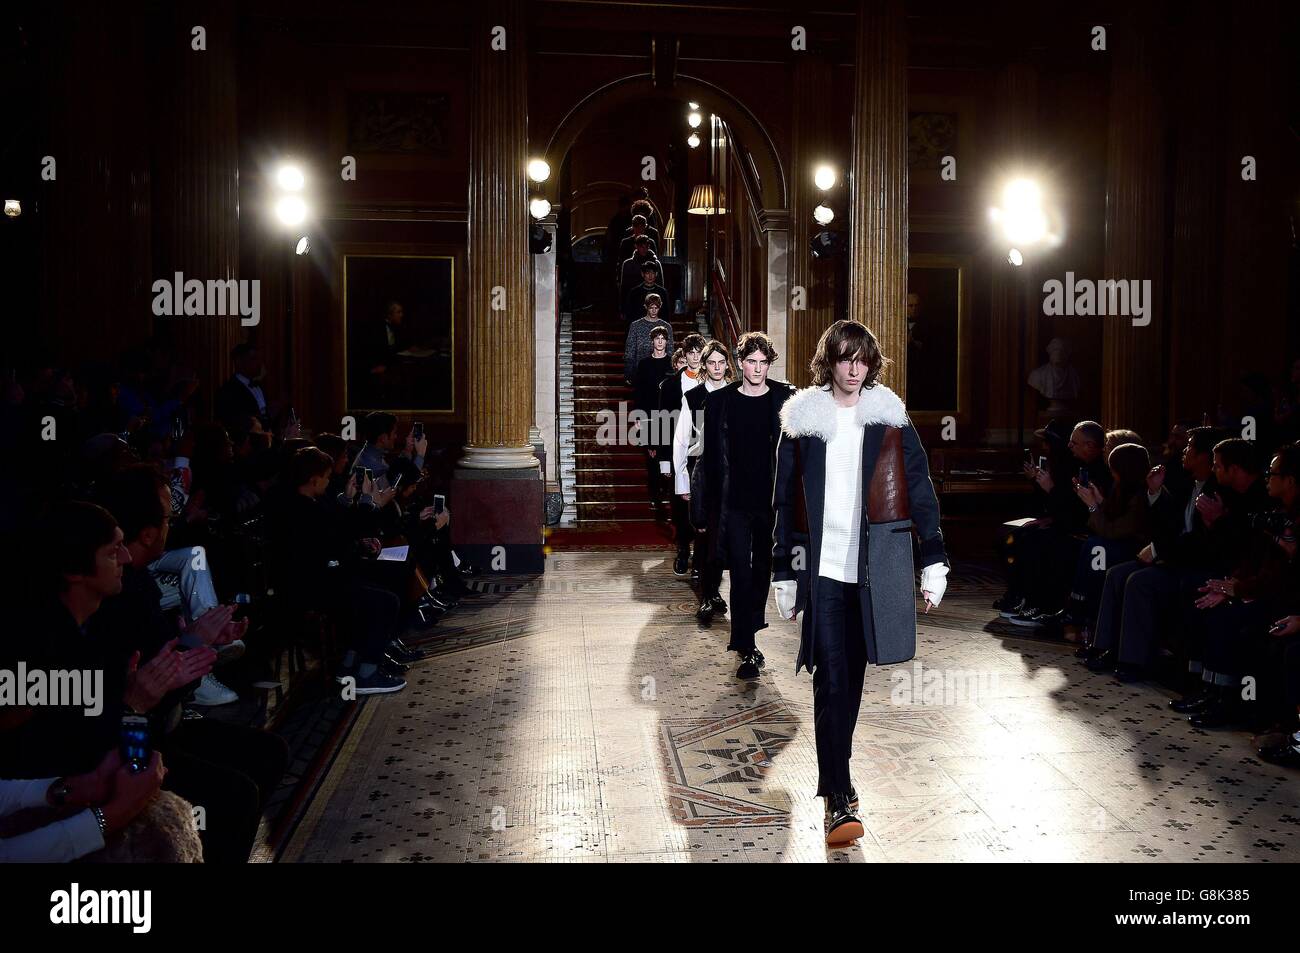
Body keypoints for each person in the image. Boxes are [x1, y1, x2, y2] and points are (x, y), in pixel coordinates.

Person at [770, 319, 948, 846]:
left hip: (874, 571)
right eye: (844, 358)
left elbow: (919, 489)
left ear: (871, 364)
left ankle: (837, 784)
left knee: (852, 681)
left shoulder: (890, 419)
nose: (853, 368)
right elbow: (783, 500)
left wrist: (933, 558)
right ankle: (838, 795)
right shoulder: (803, 420)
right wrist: (783, 569)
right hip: (823, 571)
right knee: (831, 678)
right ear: (830, 361)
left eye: (862, 359)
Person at [690, 333, 795, 678]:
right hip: (733, 502)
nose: (758, 369)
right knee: (739, 570)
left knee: (762, 569)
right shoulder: (721, 401)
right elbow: (708, 457)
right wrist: (701, 506)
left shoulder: (784, 399)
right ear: (741, 362)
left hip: (769, 504)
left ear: (769, 363)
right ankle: (747, 647)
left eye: (763, 362)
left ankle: (751, 631)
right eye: (751, 361)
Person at [674, 341, 732, 616]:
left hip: (731, 474)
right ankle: (708, 593)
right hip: (704, 471)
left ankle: (712, 592)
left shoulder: (735, 394)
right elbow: (681, 440)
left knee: (722, 536)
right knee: (705, 533)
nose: (717, 368)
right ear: (705, 367)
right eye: (712, 363)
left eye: (722, 363)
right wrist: (682, 480)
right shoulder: (694, 397)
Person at [659, 334, 706, 576]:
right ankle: (682, 552)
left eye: (699, 352)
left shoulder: (712, 382)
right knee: (679, 506)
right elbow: (663, 424)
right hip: (678, 452)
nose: (695, 356)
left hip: (703, 452)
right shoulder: (669, 386)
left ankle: (699, 558)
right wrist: (665, 461)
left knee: (701, 507)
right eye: (691, 352)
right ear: (684, 355)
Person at [632, 326, 673, 515]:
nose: (659, 341)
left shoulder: (672, 364)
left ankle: (667, 492)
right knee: (652, 458)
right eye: (656, 338)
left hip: (669, 417)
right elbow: (638, 392)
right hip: (648, 416)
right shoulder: (644, 364)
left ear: (667, 341)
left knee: (667, 455)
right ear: (652, 341)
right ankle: (655, 497)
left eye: (662, 338)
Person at [214, 343, 270, 431]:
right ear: (239, 362)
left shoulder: (260, 387)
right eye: (253, 359)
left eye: (259, 359)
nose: (259, 363)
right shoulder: (228, 390)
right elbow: (232, 423)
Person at [624, 300, 673, 385]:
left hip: (662, 369)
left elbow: (670, 350)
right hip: (640, 369)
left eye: (656, 308)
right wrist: (629, 372)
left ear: (660, 307)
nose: (654, 310)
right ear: (646, 307)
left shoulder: (666, 326)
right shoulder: (635, 325)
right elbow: (630, 350)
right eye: (651, 307)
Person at [622, 261, 669, 326]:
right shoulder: (634, 292)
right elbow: (630, 315)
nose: (650, 276)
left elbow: (666, 315)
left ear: (656, 274)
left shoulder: (662, 292)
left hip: (657, 327)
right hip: (639, 327)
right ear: (642, 274)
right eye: (647, 273)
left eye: (652, 273)